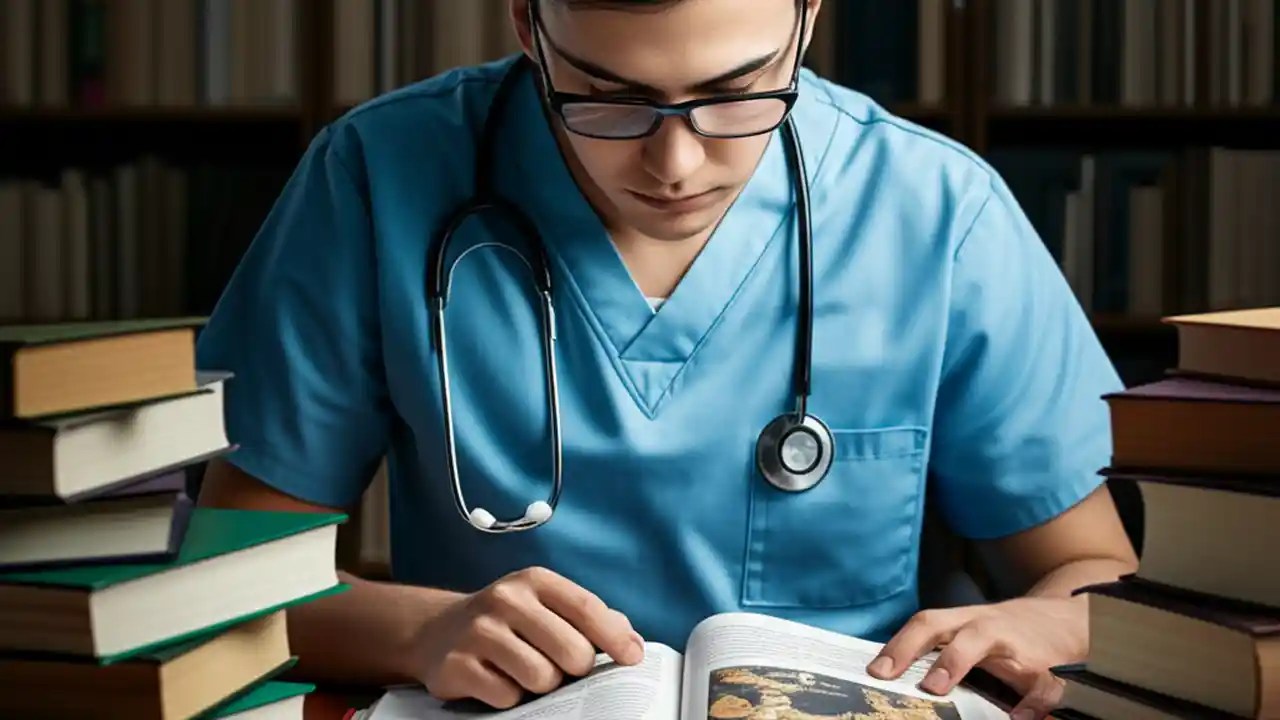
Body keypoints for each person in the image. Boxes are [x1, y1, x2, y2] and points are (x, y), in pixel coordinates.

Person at [194, 1, 1139, 718]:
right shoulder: (374, 174)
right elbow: (226, 578)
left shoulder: (937, 210)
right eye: (609, 99)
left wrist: (1049, 619)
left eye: (736, 94)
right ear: (528, 23)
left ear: (809, 18)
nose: (676, 164)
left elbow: (1091, 566)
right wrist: (419, 632)